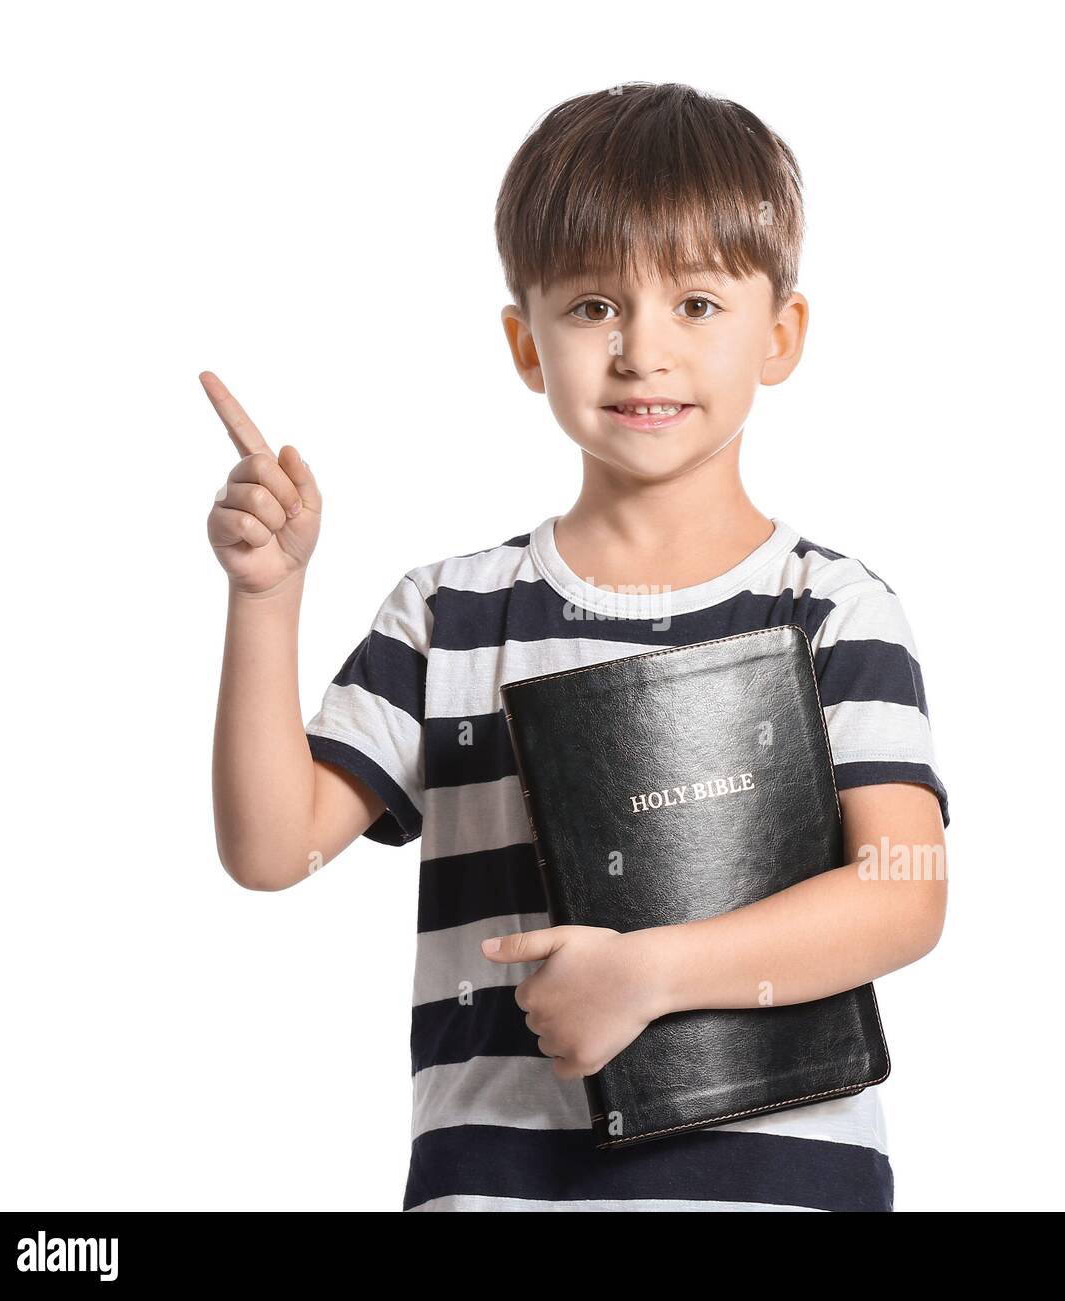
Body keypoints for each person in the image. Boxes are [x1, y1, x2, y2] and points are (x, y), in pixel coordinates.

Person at [206, 81, 949, 1212]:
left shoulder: (832, 607)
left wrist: (648, 974)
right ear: (525, 340)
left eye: (697, 304)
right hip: (496, 1185)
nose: (643, 350)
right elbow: (271, 848)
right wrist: (267, 596)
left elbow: (903, 894)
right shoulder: (450, 610)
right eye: (596, 305)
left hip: (781, 1189)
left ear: (780, 333)